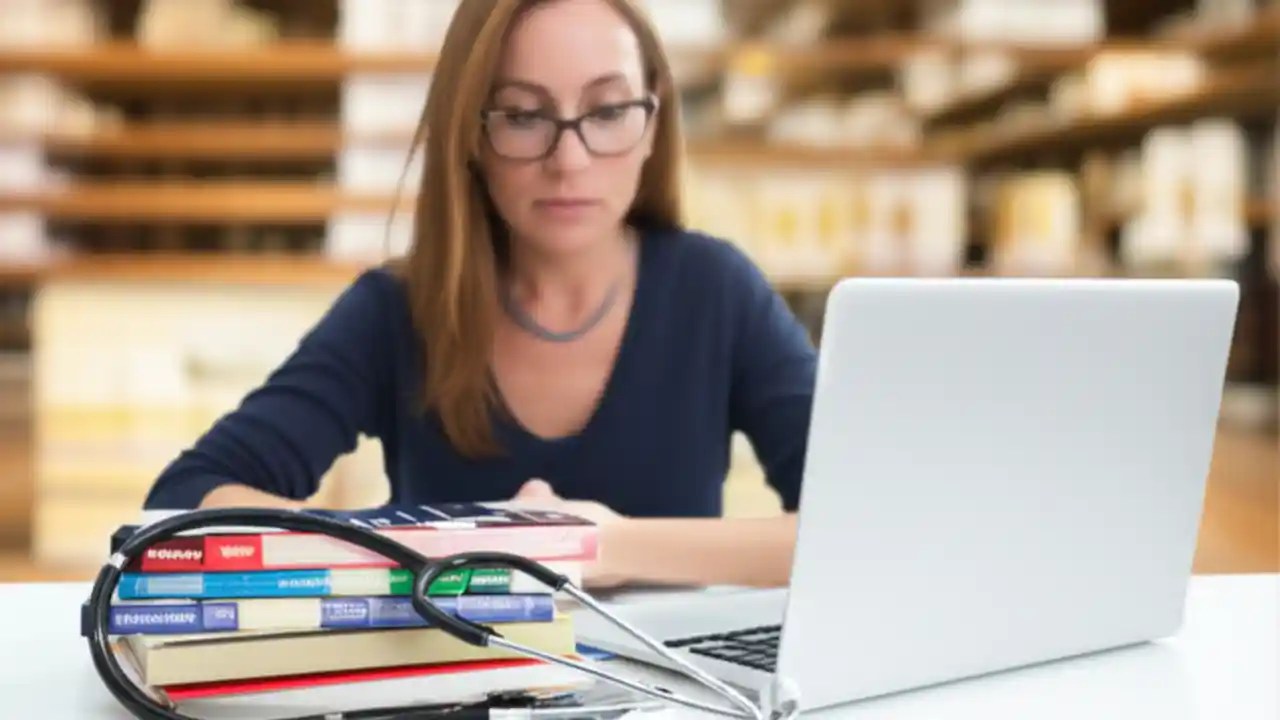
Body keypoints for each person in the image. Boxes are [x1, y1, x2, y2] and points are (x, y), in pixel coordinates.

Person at [143, 0, 817, 589]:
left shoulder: (716, 291)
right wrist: (432, 545)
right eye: (524, 116)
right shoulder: (397, 308)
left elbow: (864, 523)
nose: (570, 160)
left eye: (609, 111)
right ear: (471, 134)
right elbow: (184, 503)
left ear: (653, 121)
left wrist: (601, 545)